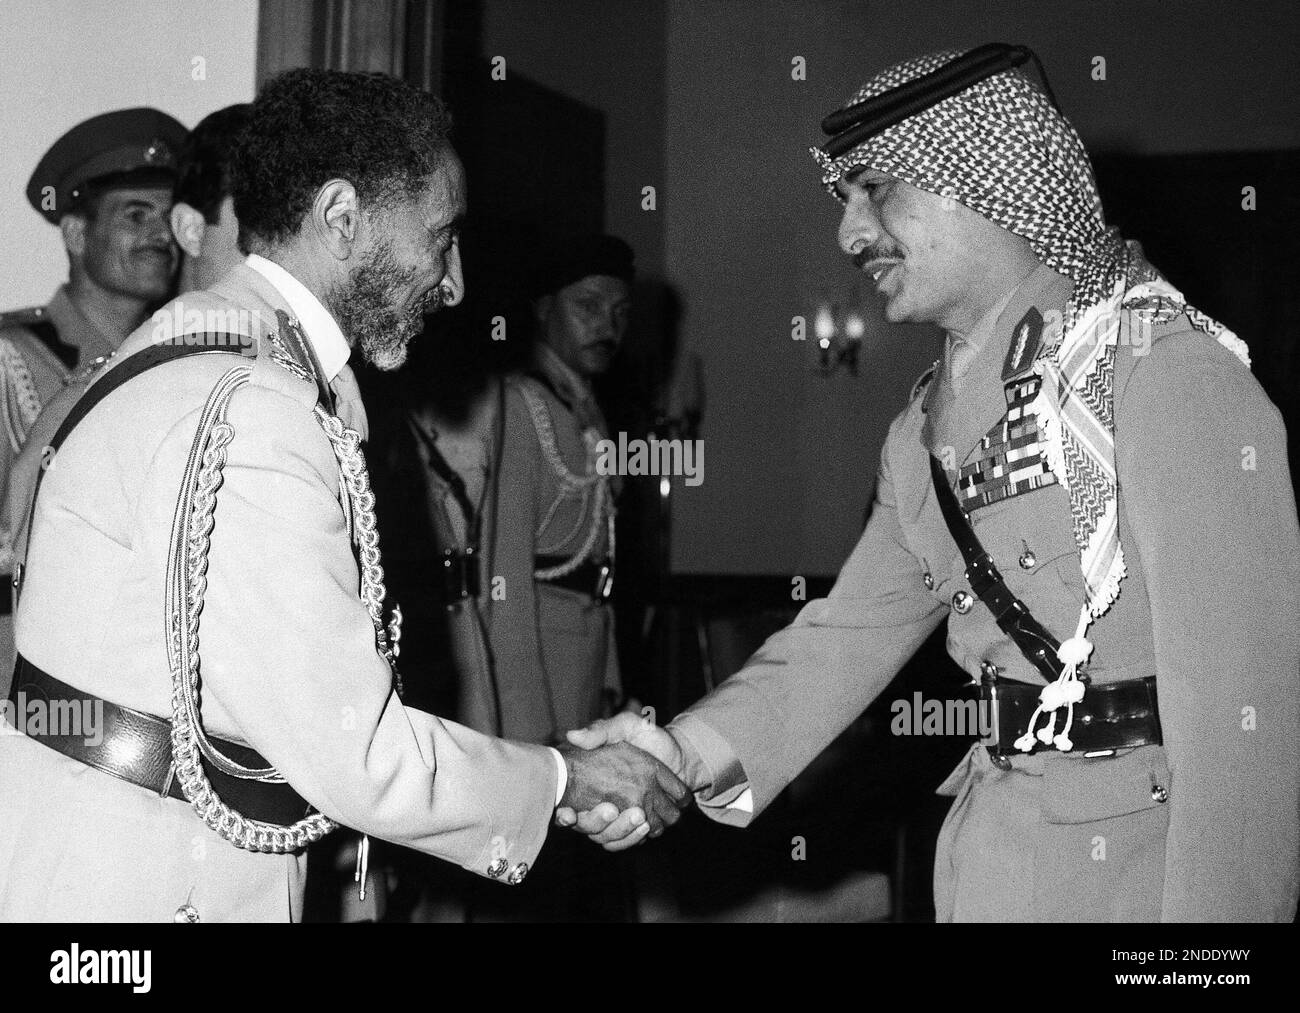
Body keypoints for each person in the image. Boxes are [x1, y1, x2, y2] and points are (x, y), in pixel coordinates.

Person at [561, 44, 1300, 922]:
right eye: (845, 199)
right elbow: (845, 634)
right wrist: (679, 752)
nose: (851, 232)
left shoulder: (1159, 374)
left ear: (995, 178)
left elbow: (1243, 731)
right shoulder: (923, 431)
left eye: (879, 189)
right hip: (987, 857)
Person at [0, 68, 686, 923]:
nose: (456, 281)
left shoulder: (208, 354)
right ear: (341, 218)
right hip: (152, 886)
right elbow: (352, 751)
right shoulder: (255, 407)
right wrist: (563, 777)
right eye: (441, 238)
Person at [0, 104, 254, 682]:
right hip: (26, 683)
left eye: (168, 216)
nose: (159, 235)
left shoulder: (185, 356)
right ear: (75, 231)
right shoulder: (12, 357)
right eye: (135, 215)